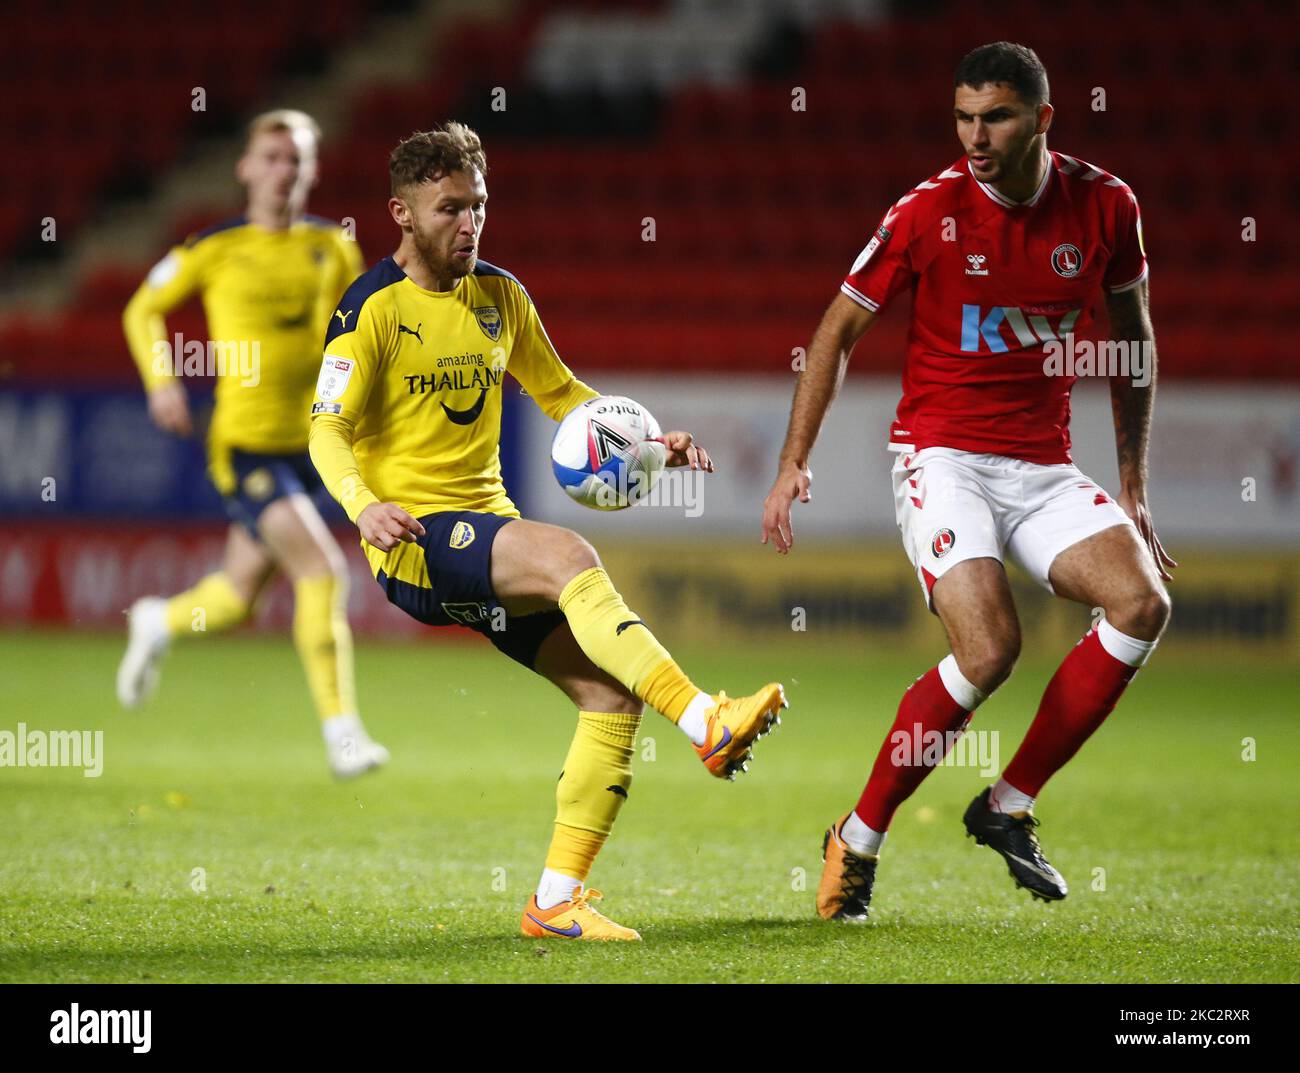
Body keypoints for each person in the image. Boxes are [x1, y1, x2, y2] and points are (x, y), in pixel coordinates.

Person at [308, 122, 787, 941]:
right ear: (401, 212)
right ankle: (706, 720)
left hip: (484, 532)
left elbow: (562, 393)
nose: (470, 225)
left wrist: (646, 443)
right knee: (571, 553)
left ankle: (555, 901)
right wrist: (363, 508)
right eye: (450, 208)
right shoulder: (369, 311)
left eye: (480, 207)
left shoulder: (501, 296)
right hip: (416, 544)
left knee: (609, 696)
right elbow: (324, 429)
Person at [760, 42, 1175, 921]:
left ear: (1043, 119)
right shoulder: (928, 212)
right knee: (990, 650)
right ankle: (857, 837)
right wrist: (796, 459)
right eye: (964, 118)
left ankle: (1008, 803)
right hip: (941, 455)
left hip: (1042, 465)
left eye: (997, 117)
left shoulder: (1107, 206)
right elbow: (835, 330)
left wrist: (1133, 479)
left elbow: (1133, 343)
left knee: (1142, 605)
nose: (976, 137)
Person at [119, 109, 389, 779]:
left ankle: (157, 620)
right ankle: (342, 733)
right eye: (270, 157)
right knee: (322, 570)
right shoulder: (212, 247)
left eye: (296, 159)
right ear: (244, 168)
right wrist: (162, 382)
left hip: (312, 445)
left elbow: (348, 337)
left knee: (238, 599)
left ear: (312, 171)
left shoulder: (334, 247)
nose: (282, 171)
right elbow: (141, 308)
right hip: (246, 445)